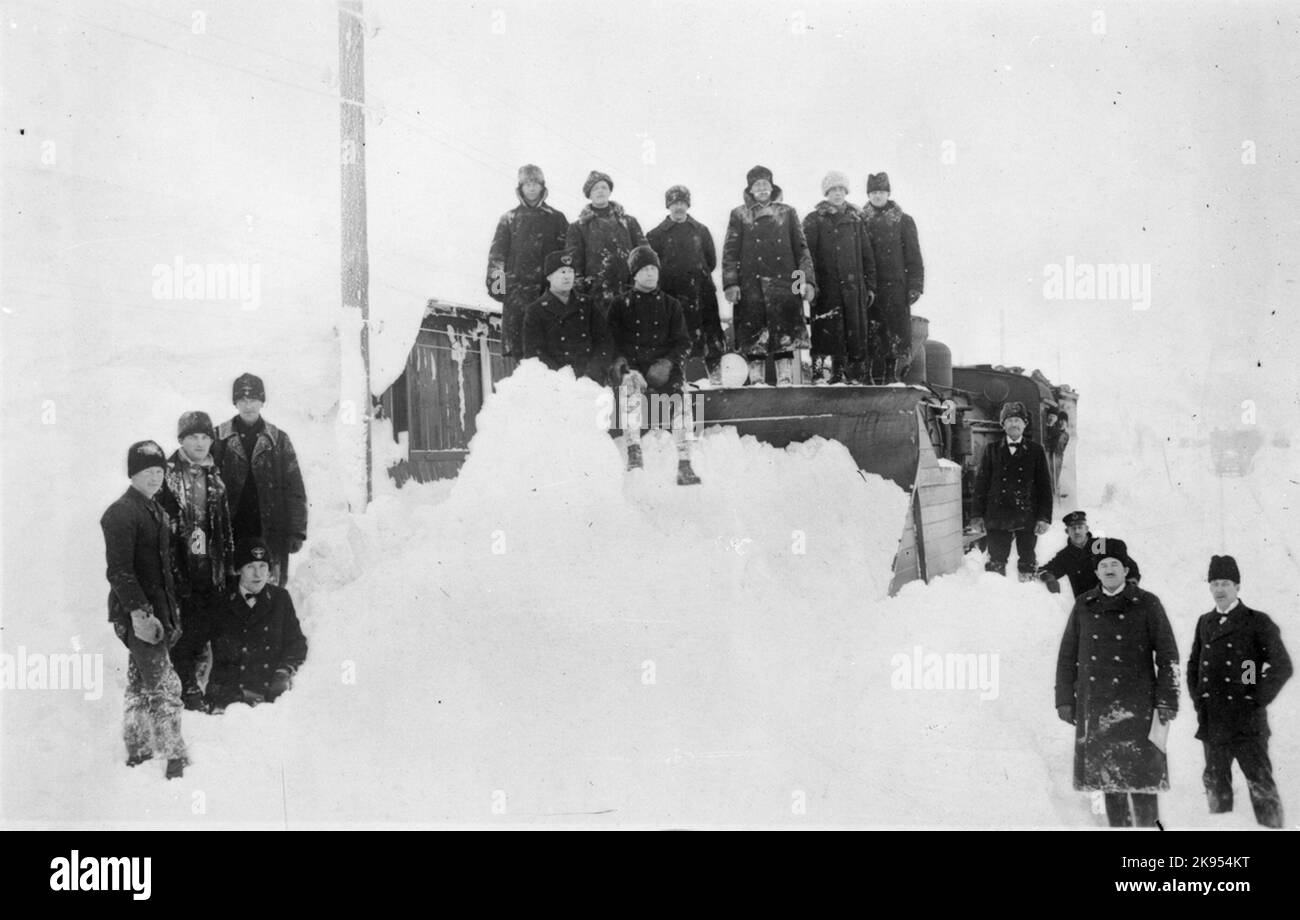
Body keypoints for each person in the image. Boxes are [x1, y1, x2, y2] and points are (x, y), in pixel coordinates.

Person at [1055, 538, 1180, 828]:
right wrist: (1064, 699)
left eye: (1115, 564)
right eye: (1103, 565)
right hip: (1097, 705)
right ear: (1096, 573)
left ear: (1126, 570)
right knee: (1109, 782)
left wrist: (1167, 699)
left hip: (1139, 706)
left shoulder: (1147, 603)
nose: (1109, 569)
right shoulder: (1084, 605)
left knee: (1143, 783)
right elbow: (1066, 656)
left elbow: (1168, 655)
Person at [100, 440, 188, 779]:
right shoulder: (121, 512)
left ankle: (138, 750)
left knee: (140, 684)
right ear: (132, 474)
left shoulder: (154, 510)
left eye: (159, 471)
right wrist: (139, 614)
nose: (155, 477)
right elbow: (119, 570)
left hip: (155, 610)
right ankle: (175, 758)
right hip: (137, 613)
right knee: (166, 685)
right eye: (147, 471)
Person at [1187, 555, 1293, 827]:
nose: (1219, 589)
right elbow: (1193, 665)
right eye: (1214, 583)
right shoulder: (1204, 622)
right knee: (1216, 788)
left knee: (1261, 788)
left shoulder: (1256, 621)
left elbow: (1282, 666)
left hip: (1247, 723)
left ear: (1237, 587)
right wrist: (1200, 699)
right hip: (1213, 723)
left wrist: (1255, 697)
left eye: (1225, 583)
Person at [172, 537, 308, 713]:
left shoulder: (280, 599)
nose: (258, 574)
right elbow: (185, 649)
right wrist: (192, 693)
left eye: (263, 567)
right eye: (250, 567)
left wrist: (283, 672)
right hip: (225, 703)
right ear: (239, 570)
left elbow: (296, 644)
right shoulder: (218, 600)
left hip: (267, 701)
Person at [607, 245, 700, 485]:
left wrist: (668, 364)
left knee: (683, 401)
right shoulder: (620, 305)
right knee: (629, 390)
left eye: (653, 268)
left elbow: (684, 342)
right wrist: (623, 366)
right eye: (644, 269)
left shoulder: (672, 305)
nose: (650, 273)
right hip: (634, 369)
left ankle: (684, 462)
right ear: (634, 274)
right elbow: (611, 342)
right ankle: (634, 451)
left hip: (665, 372)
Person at [721, 165, 817, 386]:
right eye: (757, 185)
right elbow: (730, 251)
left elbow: (800, 249)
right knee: (755, 335)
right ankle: (757, 380)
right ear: (751, 189)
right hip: (750, 285)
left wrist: (804, 283)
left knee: (786, 335)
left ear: (772, 187)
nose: (762, 189)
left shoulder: (788, 212)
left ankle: (785, 378)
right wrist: (730, 284)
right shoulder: (739, 214)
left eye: (766, 184)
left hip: (786, 284)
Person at [212, 373, 308, 588]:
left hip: (270, 529)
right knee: (232, 587)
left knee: (268, 590)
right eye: (242, 400)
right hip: (232, 529)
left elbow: (295, 488)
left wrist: (297, 531)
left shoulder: (278, 440)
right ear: (235, 403)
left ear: (262, 402)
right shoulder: (218, 438)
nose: (248, 406)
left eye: (253, 399)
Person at [485, 164, 570, 360]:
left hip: (549, 296)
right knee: (523, 356)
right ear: (520, 188)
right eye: (527, 184)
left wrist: (564, 288)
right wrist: (501, 289)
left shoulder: (557, 219)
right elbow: (497, 257)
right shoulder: (509, 219)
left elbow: (567, 257)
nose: (531, 188)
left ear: (542, 187)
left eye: (535, 183)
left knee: (553, 354)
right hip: (518, 299)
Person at [802, 170, 877, 383]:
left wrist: (870, 286)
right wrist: (806, 285)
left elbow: (867, 254)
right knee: (824, 330)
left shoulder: (855, 221)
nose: (837, 193)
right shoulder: (813, 219)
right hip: (825, 287)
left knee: (851, 331)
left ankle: (840, 372)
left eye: (841, 189)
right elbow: (804, 254)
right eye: (833, 189)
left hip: (853, 289)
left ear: (846, 191)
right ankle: (817, 372)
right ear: (826, 192)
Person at [646, 185, 726, 379]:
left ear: (688, 205)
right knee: (675, 341)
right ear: (668, 206)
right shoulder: (655, 235)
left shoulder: (701, 230)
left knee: (710, 339)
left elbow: (711, 261)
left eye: (682, 203)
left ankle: (715, 380)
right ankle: (677, 381)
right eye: (674, 203)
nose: (679, 207)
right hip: (670, 297)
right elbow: (650, 266)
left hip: (702, 294)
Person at [971, 401, 1053, 579]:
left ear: (1025, 424)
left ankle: (1028, 591)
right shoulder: (991, 450)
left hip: (1027, 516)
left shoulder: (1036, 451)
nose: (1014, 424)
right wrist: (977, 515)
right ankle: (996, 596)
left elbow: (1045, 487)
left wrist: (1044, 517)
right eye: (1009, 420)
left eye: (1018, 420)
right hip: (998, 515)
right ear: (1003, 425)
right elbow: (981, 484)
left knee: (1027, 561)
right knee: (995, 563)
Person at [862, 172, 924, 383]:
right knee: (869, 330)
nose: (877, 196)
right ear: (868, 194)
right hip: (868, 286)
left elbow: (914, 256)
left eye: (881, 192)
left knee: (894, 331)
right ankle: (867, 373)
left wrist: (915, 285)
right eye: (873, 192)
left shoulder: (903, 221)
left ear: (888, 193)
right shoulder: (860, 221)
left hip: (895, 286)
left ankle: (890, 373)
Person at [564, 170, 648, 316]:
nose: (600, 191)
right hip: (596, 294)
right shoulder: (578, 227)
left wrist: (643, 283)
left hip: (628, 290)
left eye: (604, 187)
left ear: (610, 191)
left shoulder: (628, 222)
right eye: (595, 188)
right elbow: (573, 264)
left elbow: (645, 255)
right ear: (589, 194)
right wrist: (580, 292)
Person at [521, 250, 612, 380]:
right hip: (556, 382)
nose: (567, 276)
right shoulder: (536, 310)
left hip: (590, 380)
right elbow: (534, 353)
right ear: (549, 277)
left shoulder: (588, 304)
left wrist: (593, 373)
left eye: (571, 272)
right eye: (562, 272)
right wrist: (562, 378)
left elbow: (604, 341)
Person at [1037, 510, 1141, 597]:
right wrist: (1048, 577)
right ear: (1066, 531)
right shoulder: (1065, 555)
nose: (1077, 531)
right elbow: (1044, 570)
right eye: (1073, 528)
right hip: (1087, 608)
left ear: (1086, 529)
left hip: (1113, 600)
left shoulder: (1100, 545)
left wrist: (1130, 585)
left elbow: (1129, 565)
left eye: (1080, 527)